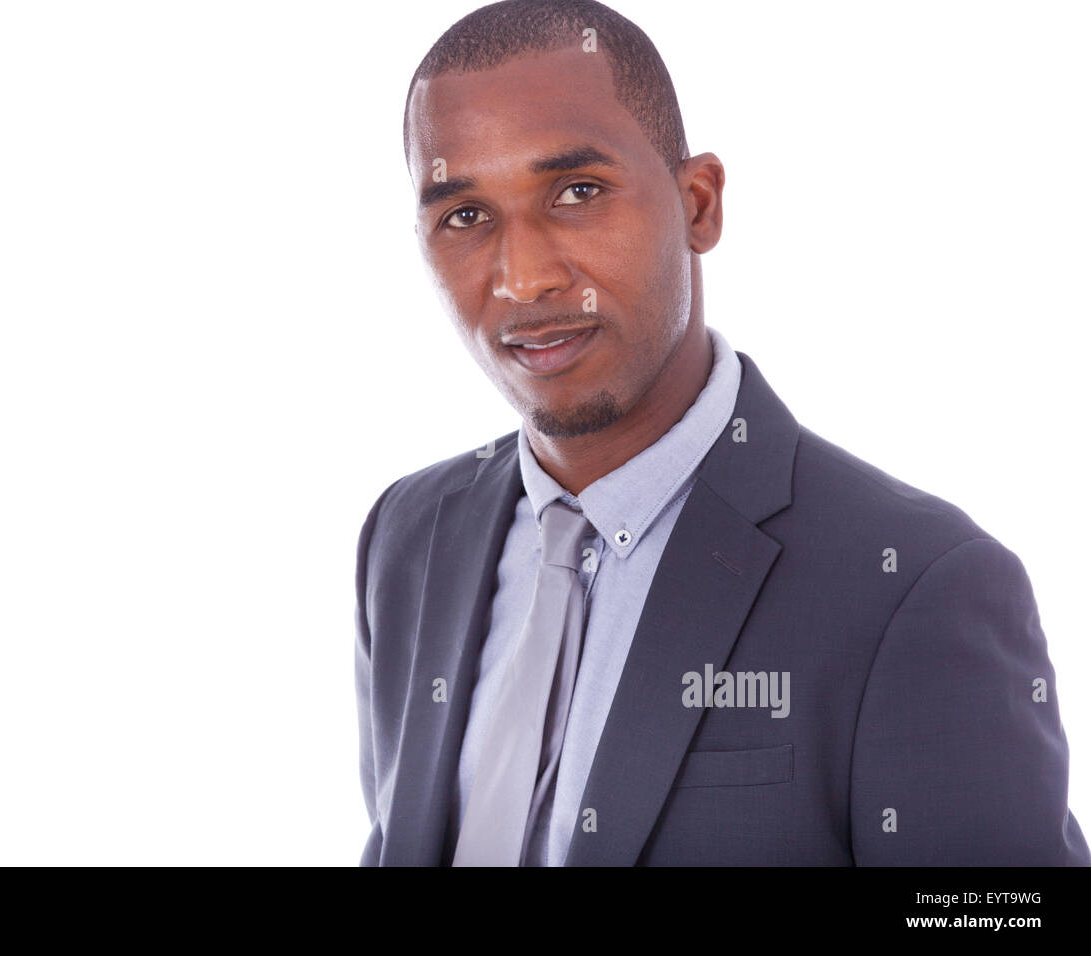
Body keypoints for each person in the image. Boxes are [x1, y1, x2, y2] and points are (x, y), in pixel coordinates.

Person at [353, 0, 1089, 866]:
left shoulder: (915, 588)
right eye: (465, 216)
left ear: (698, 204)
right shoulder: (407, 536)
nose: (525, 278)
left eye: (578, 192)